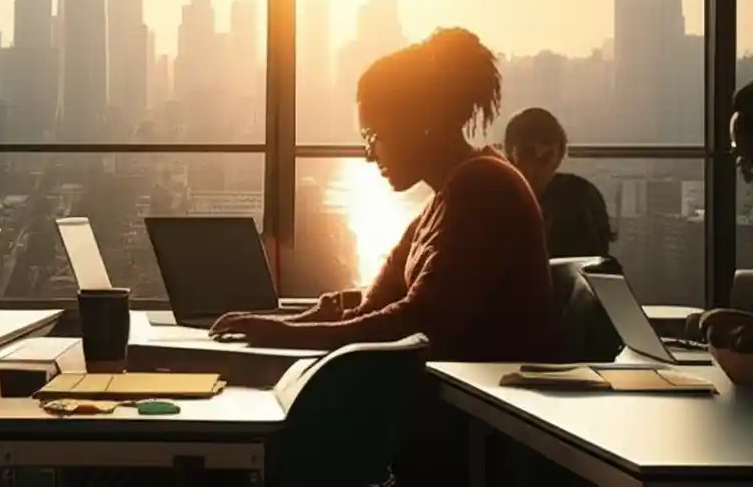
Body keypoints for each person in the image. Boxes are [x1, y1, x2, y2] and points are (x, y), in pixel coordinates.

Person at [210, 28, 560, 363]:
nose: (369, 153)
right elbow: (372, 310)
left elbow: (412, 324)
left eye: (373, 135)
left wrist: (281, 333)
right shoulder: (446, 200)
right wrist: (288, 323)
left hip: (476, 400)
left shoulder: (484, 189)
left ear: (421, 124)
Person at [503, 107, 615, 259]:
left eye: (545, 157)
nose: (536, 167)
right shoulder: (581, 194)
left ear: (559, 156)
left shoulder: (581, 198)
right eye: (527, 153)